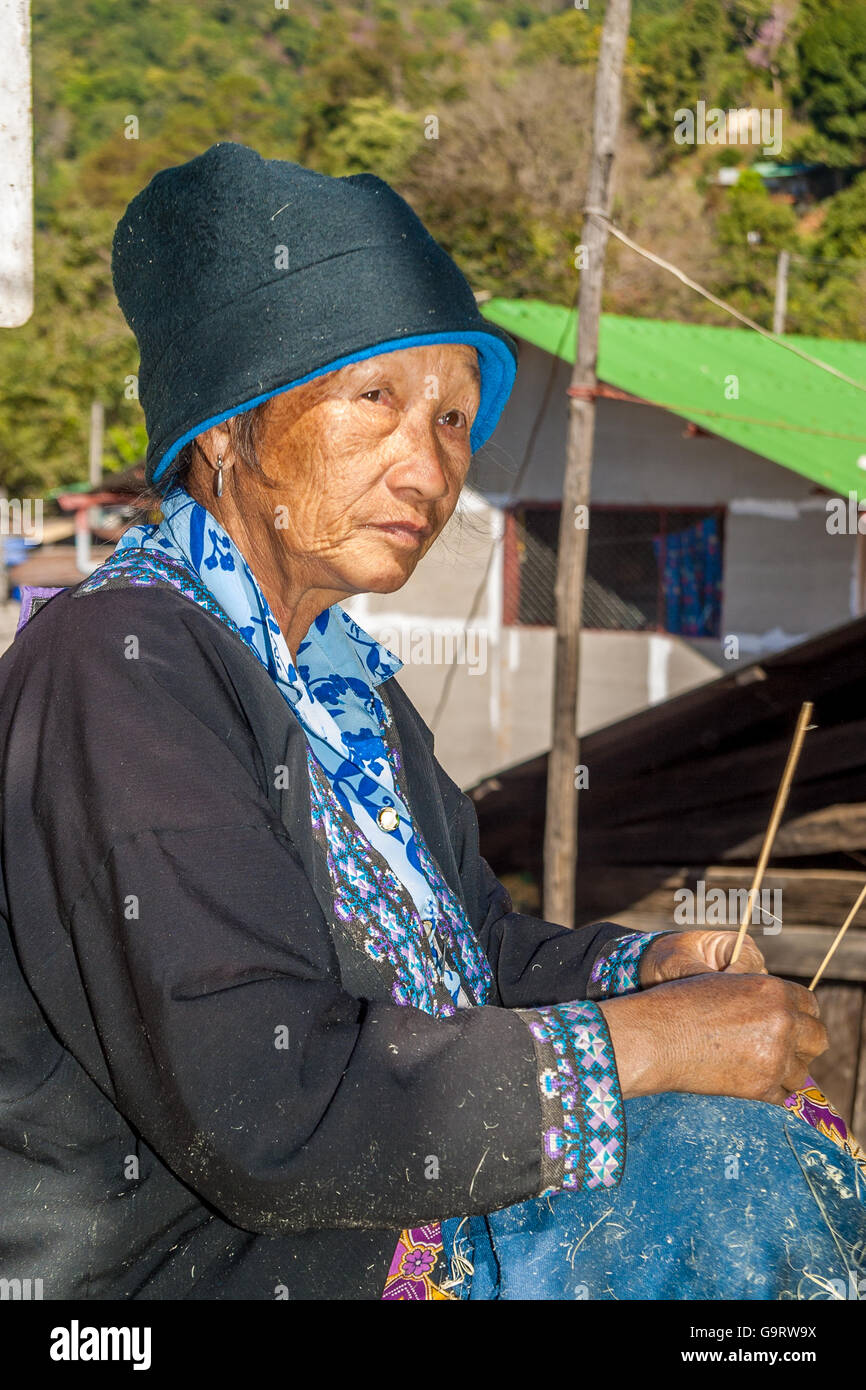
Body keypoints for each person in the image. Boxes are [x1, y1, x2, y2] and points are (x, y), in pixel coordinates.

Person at [0, 142, 861, 1302]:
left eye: (454, 422)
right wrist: (644, 1048)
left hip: (355, 1233)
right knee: (718, 1186)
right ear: (224, 430)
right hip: (180, 1279)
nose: (429, 469)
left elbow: (476, 956)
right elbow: (270, 1102)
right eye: (377, 400)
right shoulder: (124, 663)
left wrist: (644, 969)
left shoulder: (346, 689)